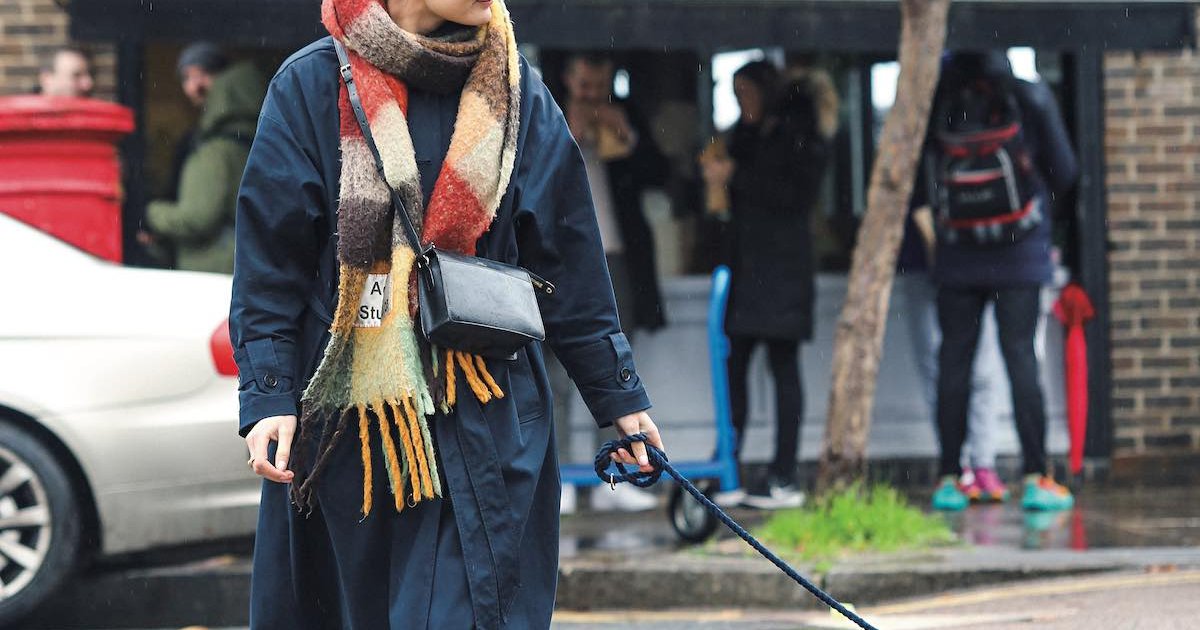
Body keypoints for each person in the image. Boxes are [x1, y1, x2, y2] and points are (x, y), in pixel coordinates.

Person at [230, 1, 664, 628]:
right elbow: (271, 264)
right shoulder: (311, 84)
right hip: (351, 432)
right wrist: (269, 394)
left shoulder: (520, 93)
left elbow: (569, 264)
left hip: (486, 416)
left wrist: (617, 396)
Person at [925, 51, 1078, 512]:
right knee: (1020, 358)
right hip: (1019, 248)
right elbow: (1066, 172)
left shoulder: (940, 96)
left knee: (954, 362)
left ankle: (950, 479)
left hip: (956, 251)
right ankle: (1036, 478)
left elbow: (920, 177)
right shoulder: (1027, 94)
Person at [701, 62, 831, 509]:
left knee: (783, 368)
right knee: (733, 368)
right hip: (745, 268)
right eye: (735, 95)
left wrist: (737, 176)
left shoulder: (798, 133)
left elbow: (794, 195)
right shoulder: (744, 134)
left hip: (783, 269)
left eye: (747, 94)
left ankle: (784, 474)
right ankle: (728, 465)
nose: (742, 104)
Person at [554, 53, 670, 513]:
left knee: (616, 370)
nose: (591, 95)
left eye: (599, 86)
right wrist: (571, 134)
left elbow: (662, 174)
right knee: (556, 378)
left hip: (618, 258)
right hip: (561, 261)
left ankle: (614, 476)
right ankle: (561, 477)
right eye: (584, 85)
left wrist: (628, 136)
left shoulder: (624, 113)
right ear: (568, 79)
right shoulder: (547, 114)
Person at [896, 206, 1009, 505]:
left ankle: (982, 464)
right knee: (940, 373)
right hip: (926, 267)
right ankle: (956, 469)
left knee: (982, 371)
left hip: (971, 268)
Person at [142, 61, 265, 274]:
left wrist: (150, 213)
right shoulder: (261, 145)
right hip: (248, 265)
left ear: (220, 98)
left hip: (209, 270)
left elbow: (197, 218)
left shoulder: (214, 152)